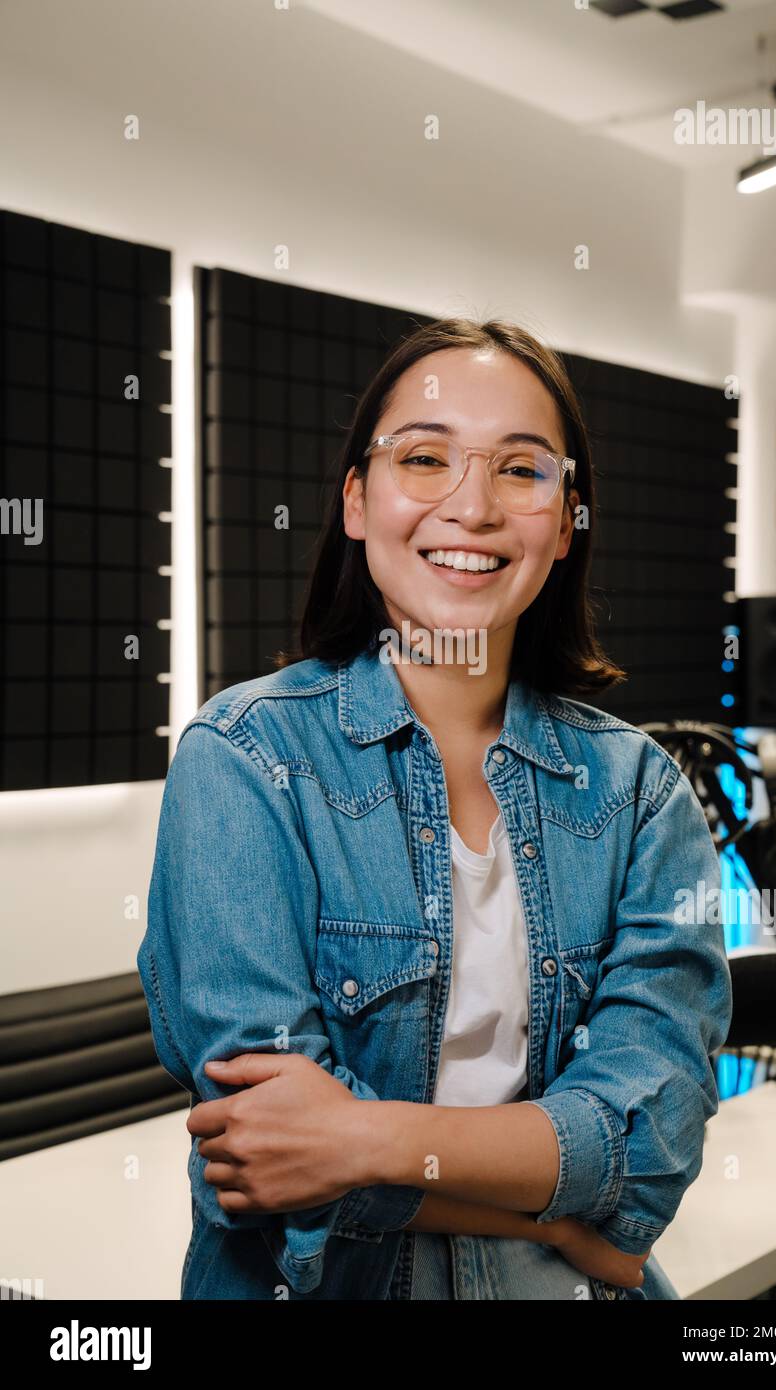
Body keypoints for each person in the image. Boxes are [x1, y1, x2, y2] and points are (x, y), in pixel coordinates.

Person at [138, 317, 733, 1301]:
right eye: (425, 458)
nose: (473, 506)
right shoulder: (243, 756)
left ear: (566, 517)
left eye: (521, 470)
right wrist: (584, 1226)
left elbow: (653, 1137)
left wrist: (365, 1135)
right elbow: (265, 1157)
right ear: (357, 501)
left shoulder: (639, 790)